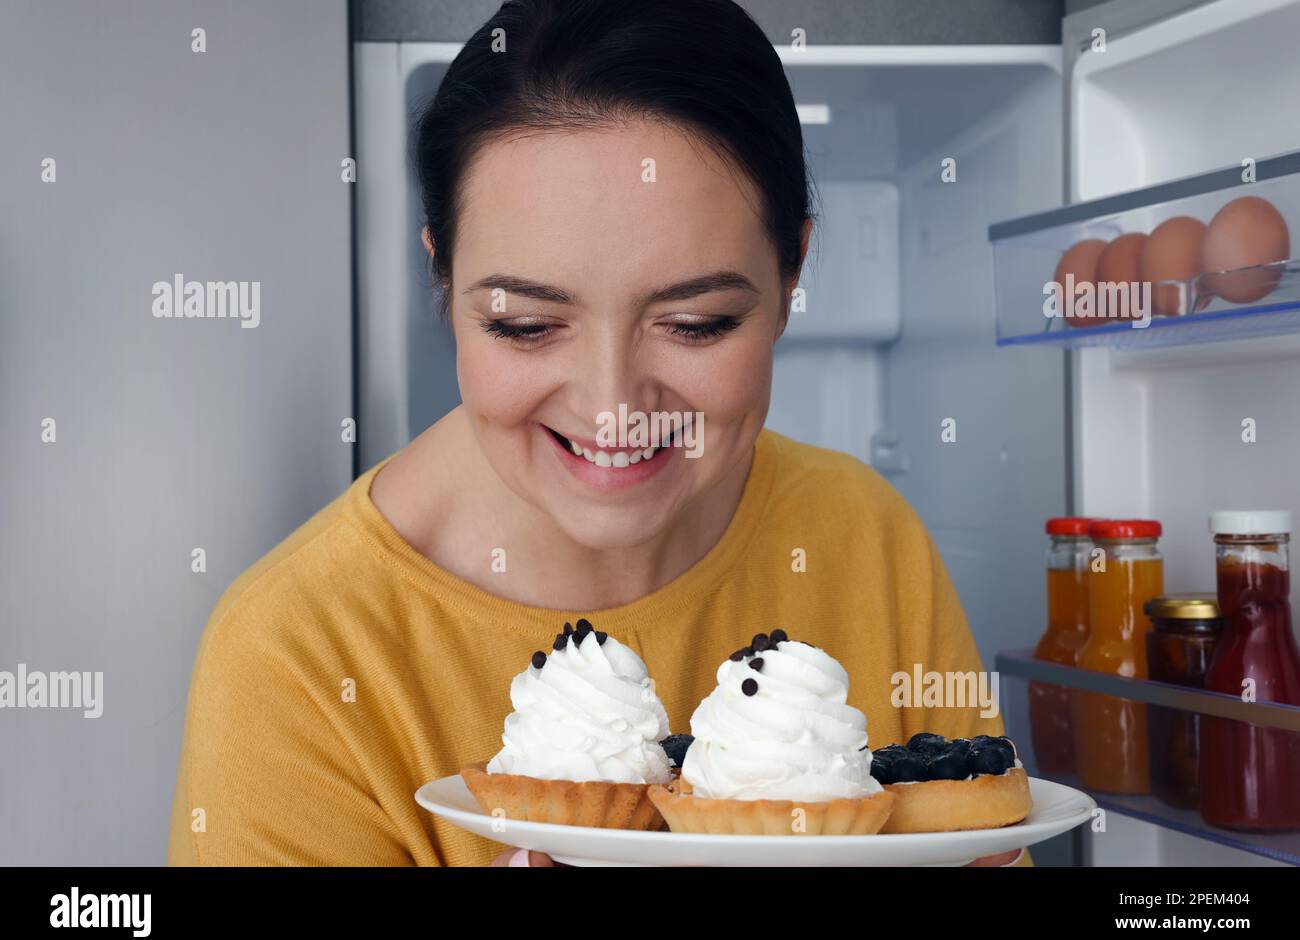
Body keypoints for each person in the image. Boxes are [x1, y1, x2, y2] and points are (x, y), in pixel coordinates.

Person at [167, 0, 1027, 867]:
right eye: (527, 324)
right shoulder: (294, 657)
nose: (613, 403)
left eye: (694, 321)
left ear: (792, 271)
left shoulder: (867, 537)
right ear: (443, 276)